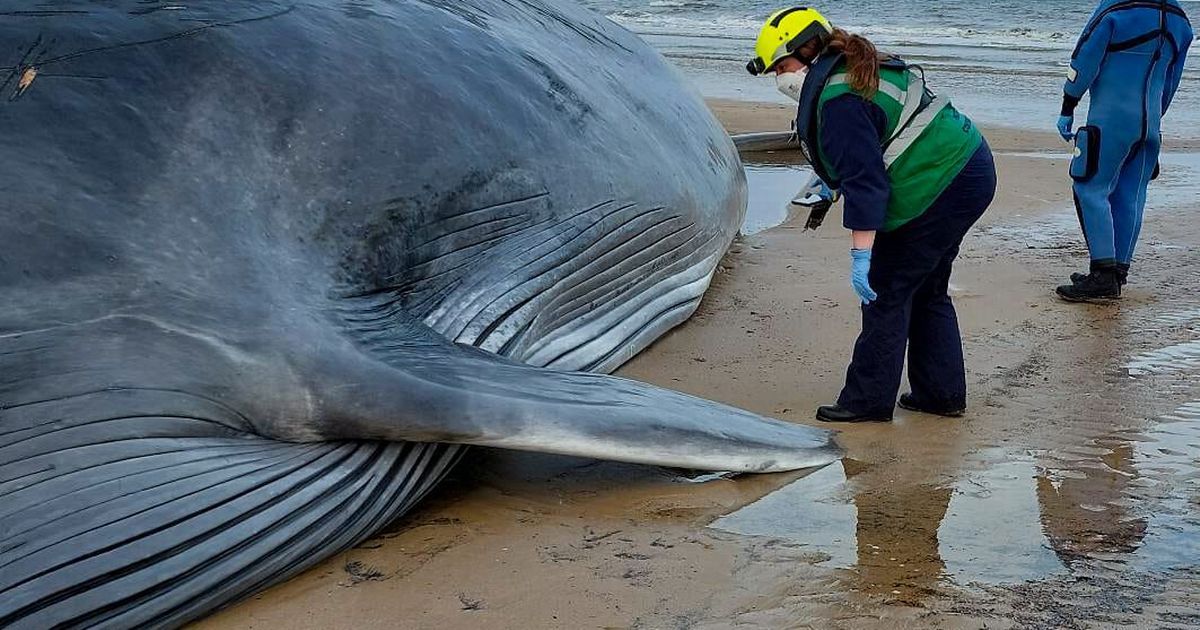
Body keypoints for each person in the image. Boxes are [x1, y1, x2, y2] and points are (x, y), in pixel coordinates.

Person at [746, 7, 996, 423]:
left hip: (940, 183)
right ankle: (940, 394)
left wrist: (862, 254)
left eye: (783, 67)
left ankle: (867, 401)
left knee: (886, 291)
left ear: (807, 51)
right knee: (928, 288)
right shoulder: (854, 64)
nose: (781, 79)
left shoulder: (838, 98)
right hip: (971, 167)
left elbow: (867, 184)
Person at [1056, 0, 1192, 302]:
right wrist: (1156, 118)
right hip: (1150, 123)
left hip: (1111, 120)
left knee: (1089, 188)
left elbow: (1085, 57)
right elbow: (1172, 80)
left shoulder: (1115, 9)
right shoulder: (1180, 19)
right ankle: (1117, 272)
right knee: (1131, 193)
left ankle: (1102, 274)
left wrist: (1069, 105)